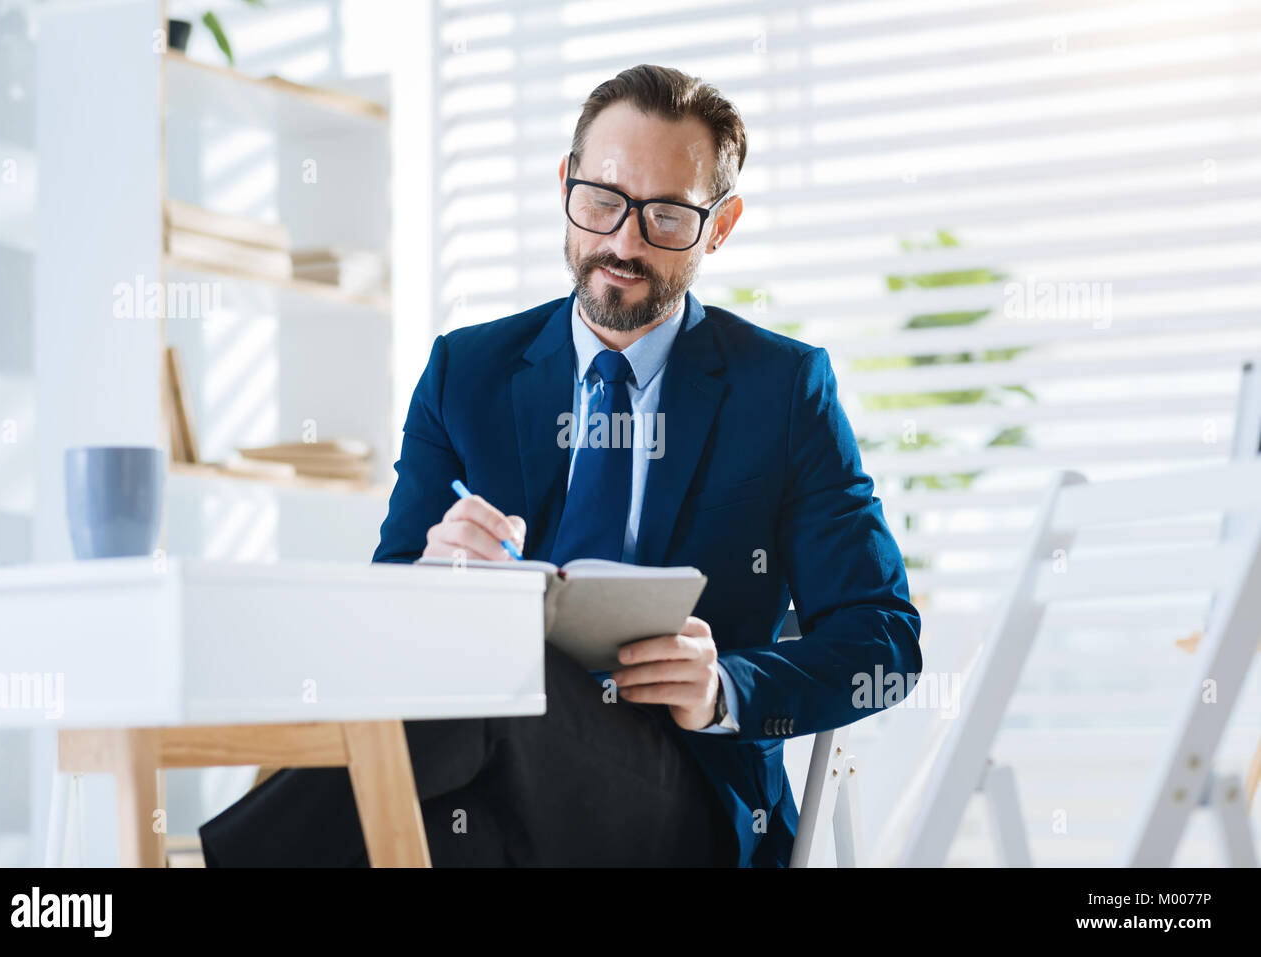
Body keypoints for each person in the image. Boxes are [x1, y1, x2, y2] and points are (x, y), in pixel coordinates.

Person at [199, 63, 922, 868]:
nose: (622, 241)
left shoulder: (782, 390)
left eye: (667, 217)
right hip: (485, 793)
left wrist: (725, 687)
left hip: (683, 805)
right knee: (438, 833)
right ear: (565, 183)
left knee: (510, 670)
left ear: (720, 226)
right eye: (602, 200)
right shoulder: (464, 374)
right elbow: (388, 611)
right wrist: (431, 576)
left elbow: (885, 640)